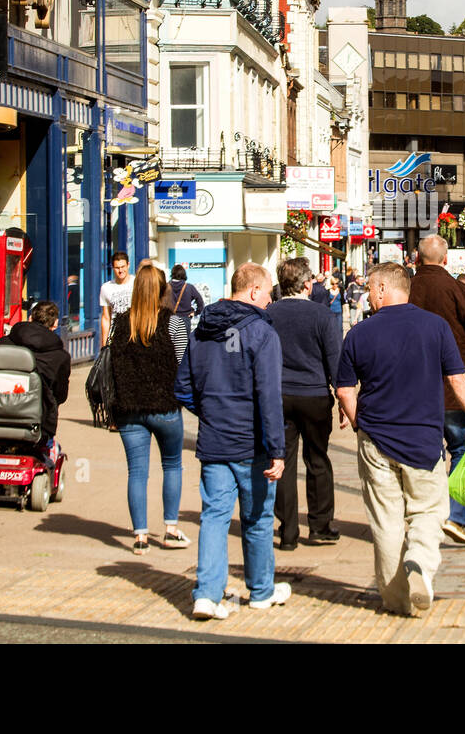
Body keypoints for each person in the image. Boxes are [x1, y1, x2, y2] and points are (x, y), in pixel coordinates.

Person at [335, 263, 465, 616]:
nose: (368, 296)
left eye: (372, 289)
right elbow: (457, 379)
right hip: (423, 439)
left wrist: (361, 424)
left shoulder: (359, 334)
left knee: (386, 521)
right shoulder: (436, 327)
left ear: (385, 288)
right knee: (430, 510)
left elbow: (344, 390)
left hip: (376, 439)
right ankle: (419, 559)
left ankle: (395, 599)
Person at [175, 263, 288, 619]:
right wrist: (277, 449)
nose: (271, 301)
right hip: (251, 442)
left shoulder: (201, 331)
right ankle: (261, 590)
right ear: (254, 291)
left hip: (214, 440)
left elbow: (182, 387)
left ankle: (206, 595)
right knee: (256, 518)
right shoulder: (261, 333)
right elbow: (269, 395)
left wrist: (210, 411)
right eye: (269, 293)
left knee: (214, 517)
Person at [408, 236, 465, 548]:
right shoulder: (461, 292)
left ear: (416, 259)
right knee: (461, 449)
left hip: (417, 390)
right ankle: (455, 517)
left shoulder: (406, 291)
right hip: (456, 391)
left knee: (427, 455)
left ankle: (425, 518)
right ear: (445, 260)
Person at [107, 266, 189, 553]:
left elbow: (112, 363)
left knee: (137, 472)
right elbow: (182, 366)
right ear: (164, 290)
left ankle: (140, 537)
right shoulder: (174, 324)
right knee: (172, 465)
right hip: (165, 407)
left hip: (129, 407)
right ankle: (171, 530)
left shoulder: (120, 323)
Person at [267, 258, 343, 550]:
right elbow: (334, 361)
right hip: (314, 396)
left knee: (282, 462)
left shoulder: (269, 313)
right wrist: (343, 399)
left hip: (279, 396)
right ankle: (320, 526)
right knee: (318, 460)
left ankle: (287, 533)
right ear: (308, 285)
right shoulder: (322, 316)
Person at [0, 299, 71, 466]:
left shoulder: (4, 343)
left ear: (30, 318)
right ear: (56, 324)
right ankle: (47, 455)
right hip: (37, 422)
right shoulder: (60, 357)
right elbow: (61, 395)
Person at [99, 251, 132, 346]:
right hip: (115, 337)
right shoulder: (106, 287)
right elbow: (106, 317)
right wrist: (104, 344)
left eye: (123, 267)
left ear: (128, 265)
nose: (120, 271)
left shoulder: (136, 283)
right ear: (112, 268)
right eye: (117, 268)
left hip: (133, 335)